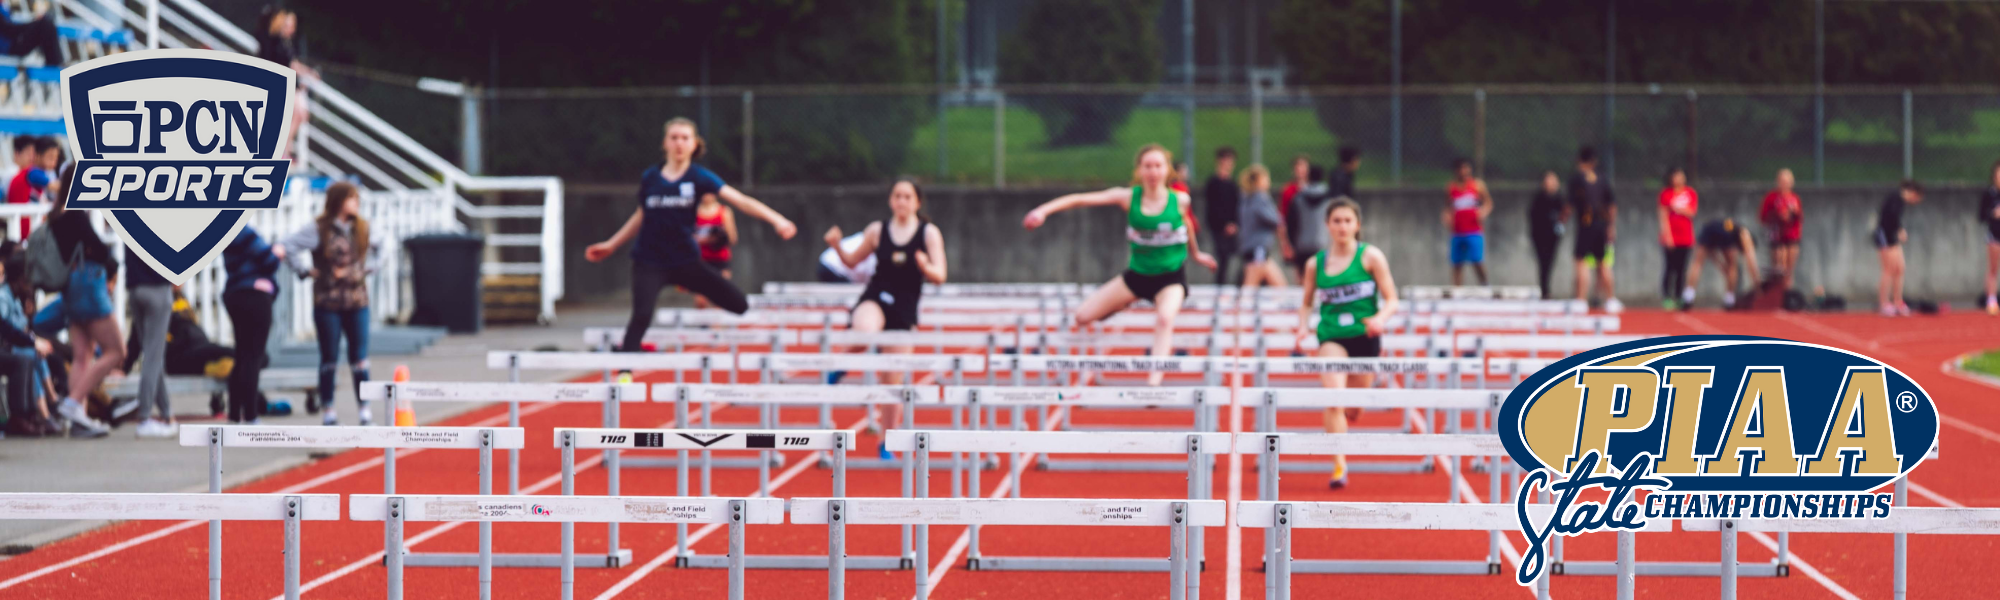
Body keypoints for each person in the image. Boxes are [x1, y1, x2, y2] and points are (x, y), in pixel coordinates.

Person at [587, 117, 798, 354]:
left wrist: (777, 219)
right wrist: (612, 244)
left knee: (739, 304)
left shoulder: (699, 177)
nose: (679, 143)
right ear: (665, 143)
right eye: (674, 137)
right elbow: (641, 215)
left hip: (685, 261)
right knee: (641, 315)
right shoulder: (650, 178)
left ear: (694, 144)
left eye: (685, 138)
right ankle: (625, 370)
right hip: (649, 261)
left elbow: (740, 201)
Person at [1022, 144, 1216, 387]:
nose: (1153, 172)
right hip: (1137, 276)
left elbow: (1186, 226)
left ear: (1167, 170)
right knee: (1082, 317)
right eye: (1148, 166)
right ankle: (1124, 301)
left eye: (1158, 166)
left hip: (1170, 278)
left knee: (1165, 319)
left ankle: (1153, 384)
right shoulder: (1127, 197)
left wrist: (1197, 254)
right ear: (1139, 170)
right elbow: (1080, 199)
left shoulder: (1180, 200)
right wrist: (1043, 211)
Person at [823, 180, 948, 459]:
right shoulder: (877, 230)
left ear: (917, 202)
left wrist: (926, 267)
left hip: (904, 308)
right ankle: (841, 366)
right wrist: (836, 245)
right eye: (897, 196)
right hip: (876, 297)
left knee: (893, 382)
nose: (901, 201)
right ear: (891, 201)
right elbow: (852, 262)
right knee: (864, 331)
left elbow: (941, 275)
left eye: (907, 196)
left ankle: (885, 442)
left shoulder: (929, 233)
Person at [1295, 199, 1398, 490]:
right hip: (1331, 337)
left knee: (1354, 409)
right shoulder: (1315, 264)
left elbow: (1392, 299)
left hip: (1365, 337)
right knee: (1334, 397)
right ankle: (1339, 462)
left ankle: (1347, 419)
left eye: (1347, 221)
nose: (1342, 226)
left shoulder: (1371, 257)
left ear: (1357, 225)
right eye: (1336, 221)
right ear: (1327, 225)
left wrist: (1379, 319)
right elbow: (1306, 303)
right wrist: (1302, 326)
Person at [282, 182, 384, 426]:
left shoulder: (363, 228)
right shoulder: (319, 229)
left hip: (357, 301)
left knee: (360, 358)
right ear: (338, 201)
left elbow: (385, 246)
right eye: (351, 198)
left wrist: (369, 268)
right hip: (327, 303)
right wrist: (305, 270)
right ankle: (328, 410)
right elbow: (287, 246)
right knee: (329, 358)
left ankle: (365, 411)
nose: (356, 203)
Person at [45, 164, 117, 437]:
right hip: (89, 285)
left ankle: (79, 421)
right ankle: (74, 403)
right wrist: (105, 259)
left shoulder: (56, 215)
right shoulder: (76, 213)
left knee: (82, 355)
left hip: (70, 288)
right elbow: (99, 249)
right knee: (116, 351)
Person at [223, 227, 284, 425]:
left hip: (234, 293)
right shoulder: (242, 230)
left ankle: (234, 415)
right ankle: (251, 416)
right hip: (255, 295)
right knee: (253, 357)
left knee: (242, 355)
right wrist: (277, 252)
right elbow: (269, 261)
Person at [123, 244, 175, 437]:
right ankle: (144, 417)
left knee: (152, 354)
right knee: (153, 357)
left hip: (135, 287)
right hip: (157, 286)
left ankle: (167, 414)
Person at [256, 6, 316, 161]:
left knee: (299, 114)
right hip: (278, 86)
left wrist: (306, 74)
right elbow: (287, 64)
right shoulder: (272, 41)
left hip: (287, 85)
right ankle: (282, 150)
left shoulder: (286, 43)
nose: (290, 28)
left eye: (292, 25)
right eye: (287, 24)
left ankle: (284, 150)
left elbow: (292, 64)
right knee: (297, 113)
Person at [1569, 146, 1620, 313]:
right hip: (1602, 225)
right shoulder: (1603, 178)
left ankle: (1581, 299)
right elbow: (1612, 206)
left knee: (1581, 262)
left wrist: (1562, 219)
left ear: (1579, 161)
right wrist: (1611, 226)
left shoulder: (1577, 179)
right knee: (1603, 263)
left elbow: (1569, 205)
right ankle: (1611, 299)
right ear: (1594, 161)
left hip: (1585, 226)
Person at [1687, 218, 1759, 310]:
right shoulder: (1745, 234)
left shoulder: (1727, 226)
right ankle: (1729, 299)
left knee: (1697, 263)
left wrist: (1721, 265)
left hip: (1708, 228)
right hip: (1724, 232)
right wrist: (1757, 285)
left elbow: (1711, 253)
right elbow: (1751, 262)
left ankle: (1688, 296)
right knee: (1732, 265)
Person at [1442, 158, 1493, 286]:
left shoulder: (1477, 185)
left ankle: (1485, 285)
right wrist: (1446, 216)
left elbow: (1488, 203)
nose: (1464, 171)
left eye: (1466, 168)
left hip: (1474, 231)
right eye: (1461, 168)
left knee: (1477, 261)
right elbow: (1447, 207)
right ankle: (1457, 289)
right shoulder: (1451, 188)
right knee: (1457, 264)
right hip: (1457, 232)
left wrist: (1483, 212)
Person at [1278, 165, 1333, 282]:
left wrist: (1291, 243)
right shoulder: (1329, 199)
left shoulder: (1298, 198)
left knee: (1302, 279)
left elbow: (1291, 223)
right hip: (1322, 242)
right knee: (1321, 277)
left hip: (1301, 244)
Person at [1876, 180, 1922, 317]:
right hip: (1885, 237)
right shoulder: (1895, 198)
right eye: (1917, 197)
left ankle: (1898, 302)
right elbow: (1889, 217)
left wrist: (1898, 230)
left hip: (1892, 237)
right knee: (1888, 269)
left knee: (1900, 268)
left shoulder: (1900, 201)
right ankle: (1884, 303)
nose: (1915, 201)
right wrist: (1900, 230)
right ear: (1913, 192)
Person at [1237, 165, 1287, 290]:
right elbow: (1275, 219)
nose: (1268, 181)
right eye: (1266, 178)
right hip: (1258, 249)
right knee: (1249, 288)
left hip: (1254, 248)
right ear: (1258, 180)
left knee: (1280, 287)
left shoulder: (1246, 198)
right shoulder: (1260, 197)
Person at [1658, 166, 1699, 309]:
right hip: (1671, 237)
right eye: (1676, 176)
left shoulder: (1690, 193)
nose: (1679, 179)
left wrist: (1677, 208)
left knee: (1682, 269)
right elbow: (1663, 216)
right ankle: (1667, 297)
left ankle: (1679, 296)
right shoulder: (1666, 194)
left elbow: (1692, 212)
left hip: (1686, 238)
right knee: (1669, 268)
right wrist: (1667, 236)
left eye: (1681, 176)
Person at [690, 193, 736, 310]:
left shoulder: (724, 211)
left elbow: (732, 238)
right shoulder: (693, 211)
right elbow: (687, 237)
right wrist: (703, 240)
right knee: (701, 301)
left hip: (720, 260)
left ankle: (718, 322)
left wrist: (718, 238)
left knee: (720, 299)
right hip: (701, 260)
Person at [1760, 168, 1803, 292]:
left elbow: (1799, 218)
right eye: (1782, 181)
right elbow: (1763, 217)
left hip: (1792, 236)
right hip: (1777, 237)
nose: (1785, 184)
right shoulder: (1771, 197)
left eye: (1787, 181)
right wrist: (1778, 215)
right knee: (1779, 268)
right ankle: (1777, 293)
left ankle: (1787, 293)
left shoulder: (1794, 198)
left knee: (1789, 269)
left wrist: (1793, 214)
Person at [1203, 147, 1241, 288]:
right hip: (1218, 228)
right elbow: (1213, 208)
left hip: (1232, 227)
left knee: (1236, 256)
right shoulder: (1213, 183)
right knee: (1222, 257)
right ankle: (1220, 286)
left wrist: (1234, 224)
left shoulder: (1233, 184)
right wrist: (1223, 225)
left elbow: (1236, 206)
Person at [1527, 171, 1567, 299]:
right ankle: (1544, 290)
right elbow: (1532, 216)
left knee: (1549, 262)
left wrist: (1559, 226)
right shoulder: (1538, 198)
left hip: (1553, 237)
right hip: (1539, 236)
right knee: (1542, 262)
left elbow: (1564, 214)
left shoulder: (1559, 198)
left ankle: (1546, 289)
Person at [7, 136, 49, 236]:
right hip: (20, 229)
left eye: (33, 154)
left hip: (30, 228)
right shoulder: (24, 174)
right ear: (17, 154)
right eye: (28, 154)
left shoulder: (30, 174)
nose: (32, 158)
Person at [1278, 155, 1311, 261]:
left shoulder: (1315, 188)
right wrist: (1284, 243)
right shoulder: (1288, 190)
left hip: (1312, 233)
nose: (1301, 170)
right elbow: (1282, 217)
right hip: (1295, 233)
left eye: (1303, 167)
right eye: (1298, 168)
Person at [1980, 161, 2000, 315]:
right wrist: (1993, 213)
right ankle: (1991, 300)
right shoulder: (1989, 194)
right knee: (1993, 268)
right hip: (1995, 235)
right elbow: (1980, 215)